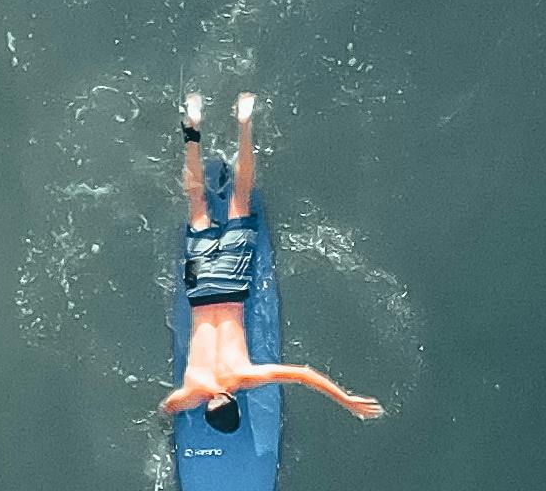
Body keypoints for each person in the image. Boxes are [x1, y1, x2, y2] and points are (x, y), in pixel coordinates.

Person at [162, 93, 384, 431]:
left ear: (234, 400)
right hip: (201, 288)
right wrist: (177, 408)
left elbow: (304, 374)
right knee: (196, 204)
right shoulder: (193, 390)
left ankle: (245, 123)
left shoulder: (245, 376)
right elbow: (166, 407)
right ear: (211, 403)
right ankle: (192, 129)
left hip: (232, 285)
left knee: (240, 199)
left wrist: (347, 400)